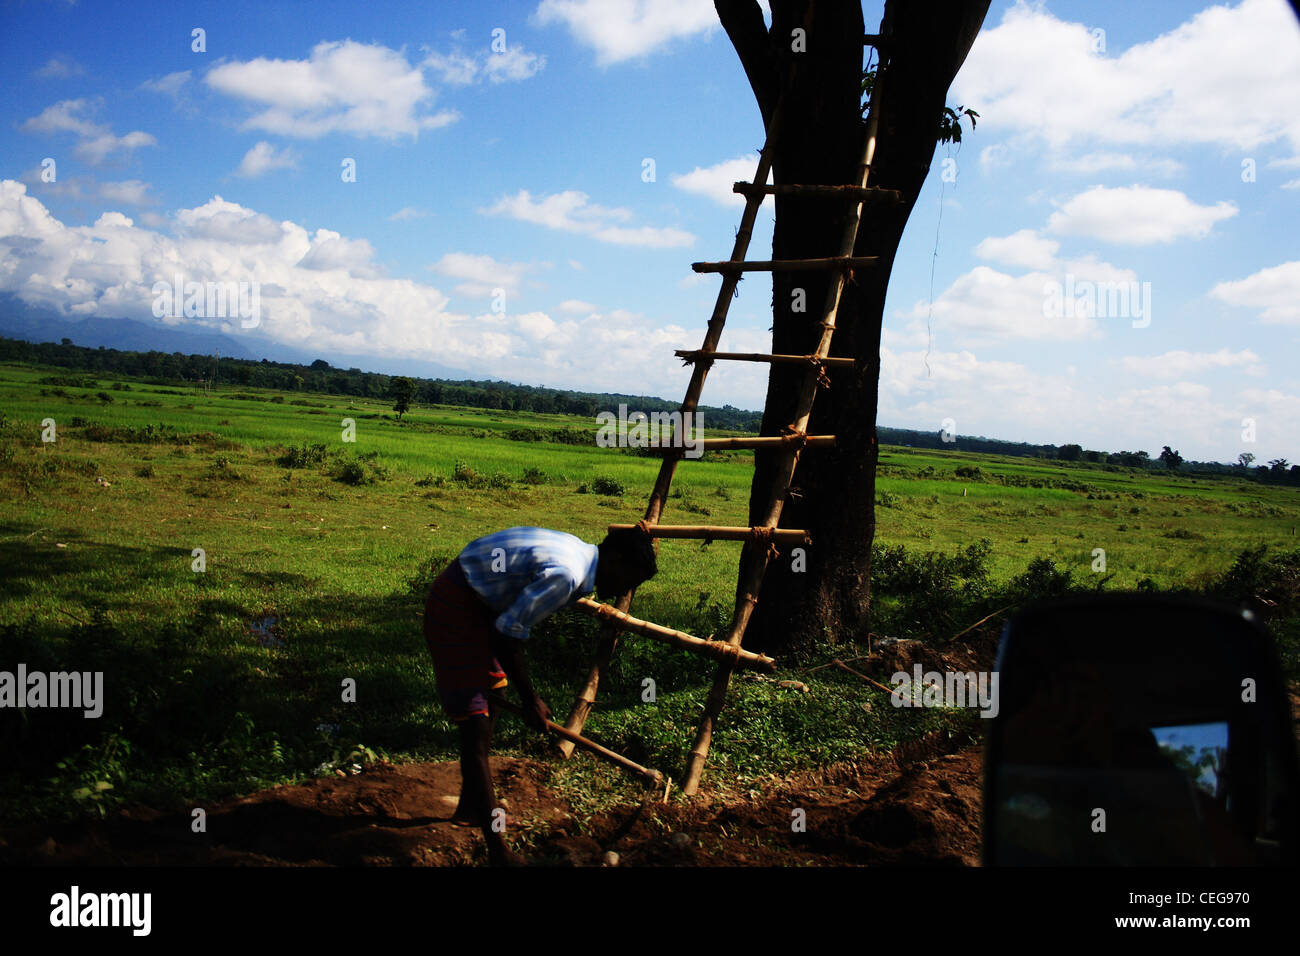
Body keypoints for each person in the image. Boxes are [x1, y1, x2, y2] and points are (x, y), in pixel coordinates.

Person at [422, 525, 657, 865]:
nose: (625, 589)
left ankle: (470, 807)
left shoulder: (579, 552)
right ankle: (498, 851)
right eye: (629, 578)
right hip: (458, 606)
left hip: (482, 603)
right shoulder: (567, 573)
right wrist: (531, 699)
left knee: (491, 698)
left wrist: (527, 696)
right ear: (616, 558)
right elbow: (507, 636)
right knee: (474, 727)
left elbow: (509, 626)